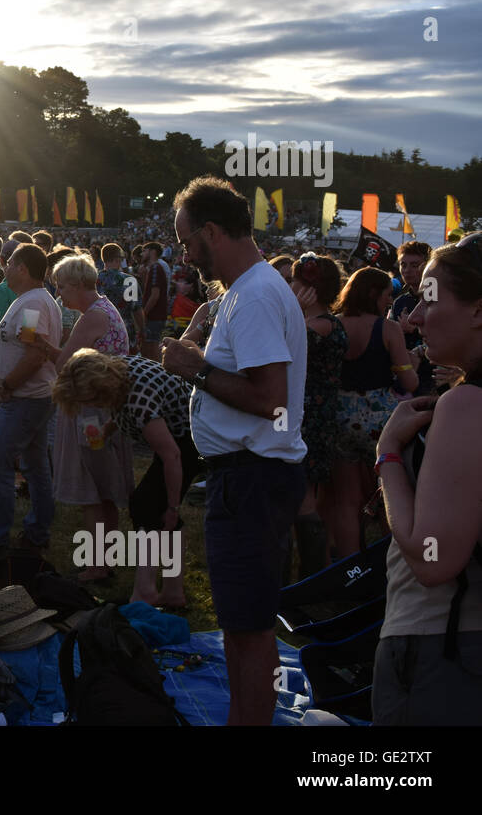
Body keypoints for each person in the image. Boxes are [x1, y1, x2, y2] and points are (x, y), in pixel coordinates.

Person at [160, 176, 307, 726]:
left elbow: (270, 398)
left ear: (212, 233)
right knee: (244, 624)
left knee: (247, 628)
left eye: (184, 241)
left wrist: (194, 367)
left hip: (251, 477)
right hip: (250, 475)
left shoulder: (255, 296)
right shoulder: (250, 291)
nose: (182, 253)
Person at [372, 232, 482, 724]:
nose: (413, 317)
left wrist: (389, 455)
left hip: (443, 646)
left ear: (478, 310)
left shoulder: (467, 405)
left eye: (430, 299)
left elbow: (433, 559)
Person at [53, 350, 201, 607]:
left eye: (89, 399)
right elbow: (119, 410)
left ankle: (145, 592)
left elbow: (173, 455)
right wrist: (106, 429)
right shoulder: (118, 373)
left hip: (190, 437)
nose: (88, 406)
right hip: (177, 437)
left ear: (101, 386)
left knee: (147, 506)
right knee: (153, 511)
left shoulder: (138, 399)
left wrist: (174, 507)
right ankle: (172, 593)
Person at [0, 243, 61, 561]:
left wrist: (8, 383)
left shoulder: (33, 303)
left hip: (23, 398)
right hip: (31, 397)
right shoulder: (30, 300)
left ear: (22, 268)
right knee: (35, 466)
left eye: (10, 264)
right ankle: (36, 533)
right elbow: (25, 343)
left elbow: (34, 354)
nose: (4, 268)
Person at [41, 255, 134, 580]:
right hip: (106, 409)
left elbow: (64, 365)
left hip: (91, 414)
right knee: (103, 490)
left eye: (62, 286)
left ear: (79, 284)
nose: (60, 293)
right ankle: (104, 561)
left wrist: (44, 348)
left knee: (91, 490)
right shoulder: (105, 309)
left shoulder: (92, 317)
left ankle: (97, 566)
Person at [326, 267, 418, 559]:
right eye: (387, 296)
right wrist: (411, 363)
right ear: (373, 294)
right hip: (380, 420)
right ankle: (389, 564)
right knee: (388, 494)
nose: (389, 302)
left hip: (339, 415)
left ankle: (350, 568)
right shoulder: (387, 328)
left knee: (345, 498)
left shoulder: (332, 325)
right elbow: (409, 383)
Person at [287, 253, 346, 582]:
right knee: (305, 490)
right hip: (317, 416)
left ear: (308, 288)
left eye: (294, 281)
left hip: (308, 416)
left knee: (303, 494)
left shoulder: (315, 328)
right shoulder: (328, 324)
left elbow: (284, 350)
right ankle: (313, 572)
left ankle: (311, 575)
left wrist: (293, 311)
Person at [389, 241, 434, 395]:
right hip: (406, 376)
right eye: (403, 265)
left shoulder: (438, 295)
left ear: (428, 266)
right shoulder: (400, 301)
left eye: (414, 265)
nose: (407, 270)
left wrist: (415, 329)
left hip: (435, 376)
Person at [98, 243, 145, 354]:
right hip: (125, 331)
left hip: (100, 331)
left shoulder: (93, 279)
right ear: (118, 259)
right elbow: (136, 310)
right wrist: (142, 330)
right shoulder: (129, 280)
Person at [139, 241, 168, 360]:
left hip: (154, 316)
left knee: (152, 350)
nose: (142, 254)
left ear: (153, 252)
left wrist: (143, 313)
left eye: (145, 251)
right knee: (147, 349)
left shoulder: (156, 267)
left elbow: (155, 295)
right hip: (155, 316)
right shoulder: (153, 268)